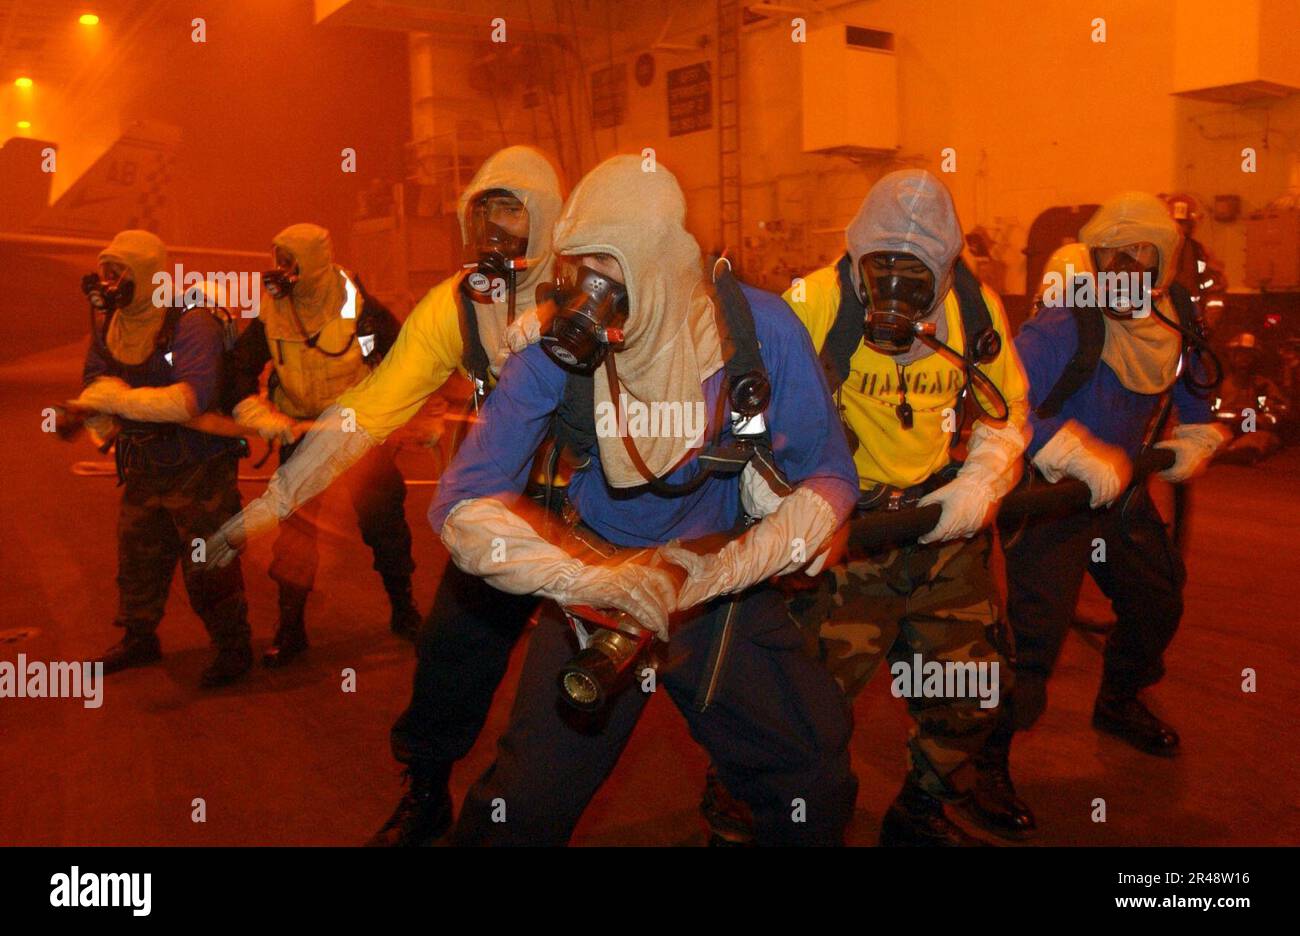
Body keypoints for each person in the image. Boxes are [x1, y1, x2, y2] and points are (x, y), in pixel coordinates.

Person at [436, 154, 861, 846]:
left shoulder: (755, 329)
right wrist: (586, 579)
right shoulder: (561, 345)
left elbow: (828, 475)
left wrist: (725, 572)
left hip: (719, 588)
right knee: (523, 805)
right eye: (582, 269)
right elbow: (462, 500)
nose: (593, 297)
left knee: (811, 776)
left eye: (616, 272)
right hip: (599, 587)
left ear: (663, 267)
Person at [206, 146, 565, 843]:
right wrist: (278, 498)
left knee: (611, 682)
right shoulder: (455, 309)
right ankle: (427, 791)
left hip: (604, 512)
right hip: (504, 507)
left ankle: (744, 803)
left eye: (512, 212)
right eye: (484, 212)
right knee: (449, 655)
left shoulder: (601, 283)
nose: (496, 231)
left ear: (547, 220)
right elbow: (366, 412)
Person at [771, 169, 1032, 846]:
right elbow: (751, 412)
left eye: (915, 274)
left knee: (970, 689)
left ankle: (922, 810)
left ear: (946, 272)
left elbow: (1009, 412)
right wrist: (789, 504)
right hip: (847, 529)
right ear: (855, 256)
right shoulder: (813, 304)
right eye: (878, 269)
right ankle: (755, 820)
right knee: (799, 706)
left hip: (941, 521)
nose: (892, 292)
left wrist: (983, 478)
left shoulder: (975, 310)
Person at [1003, 192, 1229, 765]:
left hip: (1121, 493)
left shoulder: (1174, 313)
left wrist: (1198, 433)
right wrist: (1073, 453)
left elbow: (1193, 380)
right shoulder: (1066, 316)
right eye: (1110, 256)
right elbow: (1009, 402)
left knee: (1156, 597)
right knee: (1036, 636)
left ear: (1165, 260)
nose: (1123, 270)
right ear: (1093, 259)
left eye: (1139, 255)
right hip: (1052, 495)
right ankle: (984, 760)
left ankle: (1120, 699)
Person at [67, 230, 253, 687]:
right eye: (106, 271)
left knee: (208, 563)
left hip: (199, 466)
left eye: (120, 272)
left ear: (148, 274)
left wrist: (119, 401)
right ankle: (139, 637)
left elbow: (189, 401)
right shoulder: (114, 324)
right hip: (145, 465)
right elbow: (95, 385)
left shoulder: (191, 323)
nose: (108, 282)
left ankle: (233, 648)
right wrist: (103, 407)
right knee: (138, 557)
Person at [225, 223, 417, 665]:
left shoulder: (360, 307)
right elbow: (237, 368)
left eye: (290, 262)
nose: (281, 271)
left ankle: (404, 610)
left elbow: (405, 359)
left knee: (384, 525)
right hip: (302, 435)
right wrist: (258, 415)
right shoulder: (270, 311)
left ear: (312, 264)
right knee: (295, 535)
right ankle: (290, 629)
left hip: (357, 438)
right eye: (278, 261)